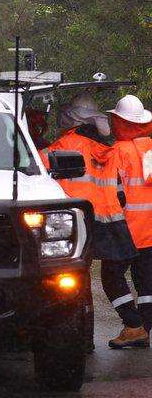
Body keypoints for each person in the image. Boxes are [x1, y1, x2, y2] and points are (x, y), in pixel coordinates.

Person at [40, 94, 133, 351]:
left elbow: (35, 169)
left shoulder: (62, 145)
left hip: (74, 222)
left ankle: (83, 339)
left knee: (76, 279)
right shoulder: (110, 149)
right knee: (110, 276)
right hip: (109, 222)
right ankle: (134, 325)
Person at [103, 94, 152, 348]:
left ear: (121, 122)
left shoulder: (118, 152)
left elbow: (112, 191)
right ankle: (143, 329)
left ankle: (133, 325)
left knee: (110, 276)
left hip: (126, 229)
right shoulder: (151, 148)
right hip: (150, 231)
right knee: (146, 281)